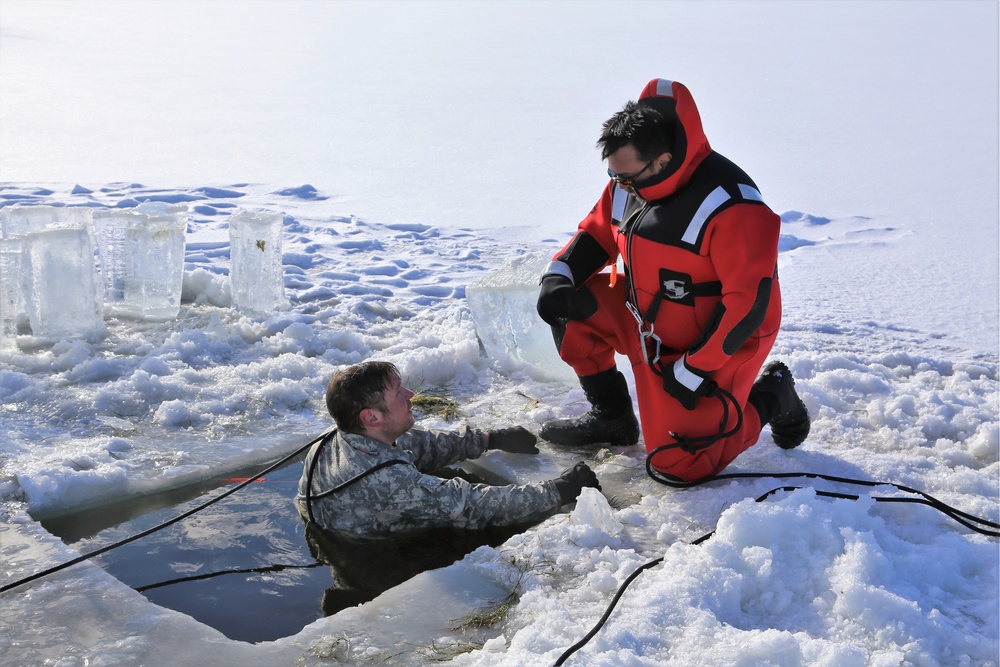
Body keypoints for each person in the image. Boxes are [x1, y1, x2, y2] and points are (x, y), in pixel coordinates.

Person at [536, 78, 810, 483]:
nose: (620, 186)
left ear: (662, 160)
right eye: (614, 175)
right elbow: (595, 234)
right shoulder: (630, 182)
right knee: (568, 306)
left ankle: (772, 396)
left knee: (677, 467)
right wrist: (559, 275)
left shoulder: (733, 206)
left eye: (627, 178)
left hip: (715, 343)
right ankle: (612, 418)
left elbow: (747, 305)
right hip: (645, 318)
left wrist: (696, 368)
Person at [296, 360, 601, 535]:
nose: (411, 394)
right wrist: (557, 491)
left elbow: (421, 445)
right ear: (372, 416)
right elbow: (472, 505)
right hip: (363, 550)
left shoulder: (342, 435)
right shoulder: (388, 481)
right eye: (399, 392)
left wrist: (488, 439)